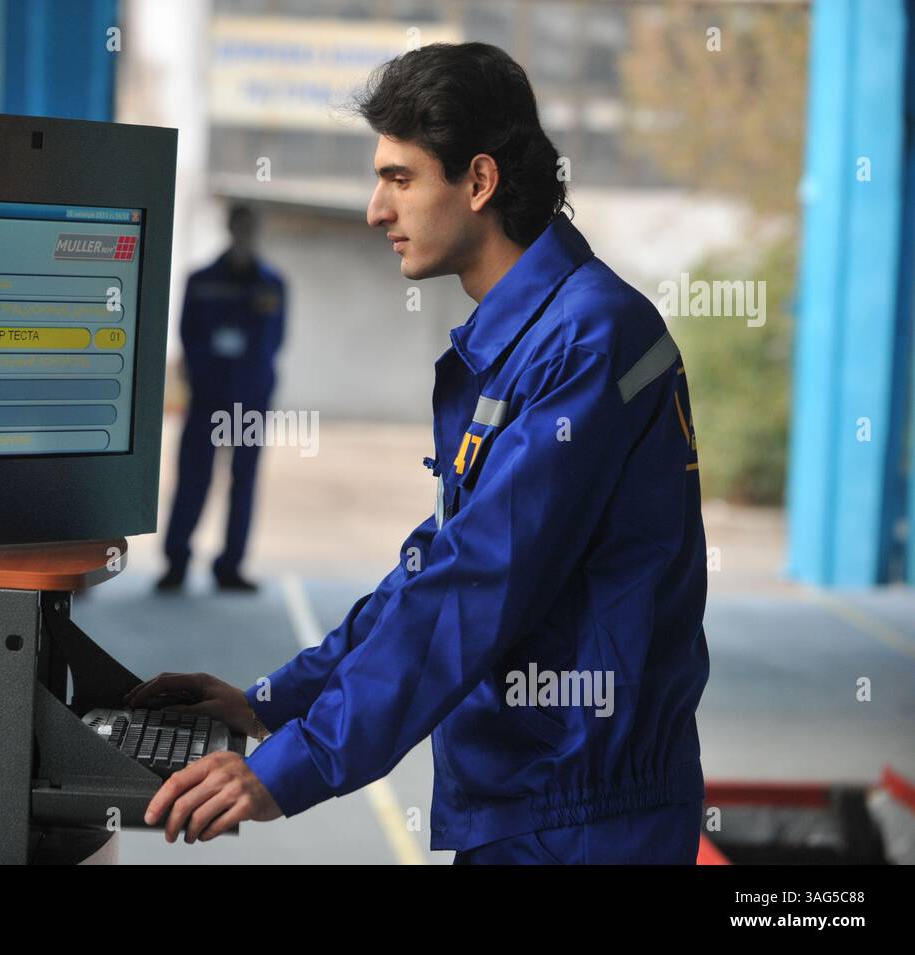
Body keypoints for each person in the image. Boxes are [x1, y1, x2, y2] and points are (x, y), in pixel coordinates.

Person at [129, 42, 709, 864]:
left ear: (478, 182)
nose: (375, 209)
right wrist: (275, 700)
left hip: (583, 817)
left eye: (399, 178)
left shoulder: (590, 340)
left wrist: (290, 767)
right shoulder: (531, 336)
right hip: (532, 801)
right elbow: (438, 562)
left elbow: (478, 582)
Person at [157, 203, 286, 593]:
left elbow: (275, 341)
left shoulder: (271, 284)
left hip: (248, 401)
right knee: (194, 479)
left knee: (242, 483)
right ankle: (176, 562)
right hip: (207, 400)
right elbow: (187, 335)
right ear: (230, 227)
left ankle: (230, 566)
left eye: (250, 225)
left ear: (256, 230)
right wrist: (205, 377)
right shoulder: (200, 280)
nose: (244, 232)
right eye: (239, 224)